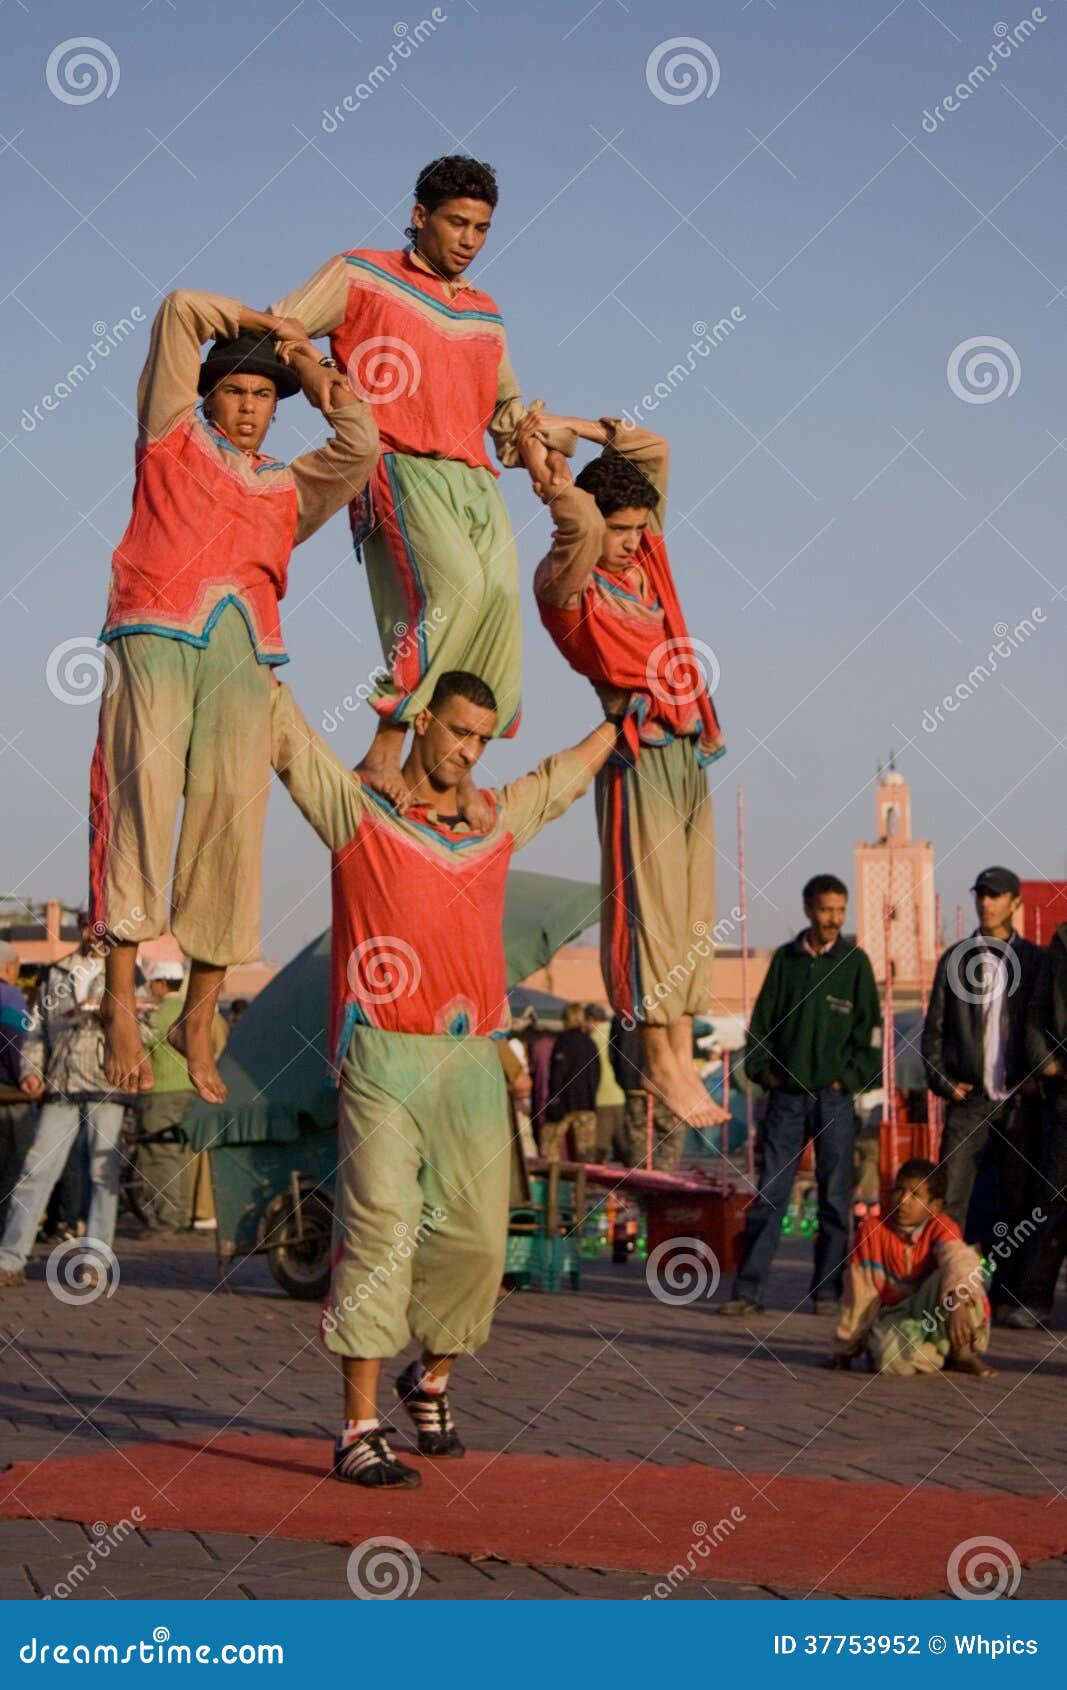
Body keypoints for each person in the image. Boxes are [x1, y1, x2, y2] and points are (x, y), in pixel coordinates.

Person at [269, 667, 616, 1488]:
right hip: (383, 1050)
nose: (468, 750)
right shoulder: (360, 816)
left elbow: (560, 781)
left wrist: (616, 722)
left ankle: (428, 1382)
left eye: (481, 739)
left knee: (477, 1243)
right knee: (382, 1231)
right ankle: (356, 1428)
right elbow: (289, 746)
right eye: (458, 731)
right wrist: (258, 651)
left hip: (471, 1057)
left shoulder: (494, 821)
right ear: (423, 722)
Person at [91, 288, 379, 1106]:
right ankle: (120, 1003)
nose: (250, 408)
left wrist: (307, 362)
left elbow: (360, 442)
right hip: (153, 628)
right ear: (206, 396)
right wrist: (267, 326)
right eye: (235, 391)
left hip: (245, 648)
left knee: (231, 825)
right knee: (140, 800)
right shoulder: (169, 438)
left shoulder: (288, 488)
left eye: (262, 396)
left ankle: (197, 1015)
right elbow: (181, 309)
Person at [267, 154, 576, 814]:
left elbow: (506, 414)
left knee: (495, 604)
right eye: (456, 222)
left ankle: (448, 766)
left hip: (475, 479)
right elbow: (279, 321)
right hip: (398, 464)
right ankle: (386, 739)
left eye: (482, 228)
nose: (468, 239)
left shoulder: (485, 313)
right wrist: (315, 370)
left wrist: (539, 453)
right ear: (418, 217)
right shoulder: (362, 274)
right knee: (454, 591)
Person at [522, 414, 726, 1132]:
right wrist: (543, 464)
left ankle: (679, 1046)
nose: (633, 540)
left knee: (693, 913)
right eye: (621, 528)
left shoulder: (648, 563)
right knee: (650, 908)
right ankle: (658, 1057)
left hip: (685, 746)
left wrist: (562, 424)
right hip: (632, 747)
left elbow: (652, 448)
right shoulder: (566, 581)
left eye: (640, 526)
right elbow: (576, 514)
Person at [720, 875, 881, 1317]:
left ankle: (827, 1292)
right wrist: (764, 1073)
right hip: (787, 1099)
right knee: (771, 1194)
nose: (834, 919)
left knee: (833, 1198)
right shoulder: (786, 962)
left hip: (834, 1100)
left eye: (840, 910)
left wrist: (846, 1080)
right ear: (809, 908)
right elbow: (763, 1022)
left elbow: (870, 1034)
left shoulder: (855, 964)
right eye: (827, 909)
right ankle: (747, 1291)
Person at [921, 866, 1043, 1321]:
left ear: (1015, 903)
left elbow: (1043, 1026)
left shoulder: (1034, 961)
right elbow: (932, 1033)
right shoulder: (955, 959)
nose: (986, 903)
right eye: (981, 895)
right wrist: (944, 1083)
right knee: (952, 1198)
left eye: (996, 896)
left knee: (1016, 1201)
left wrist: (1037, 1078)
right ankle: (943, 1290)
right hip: (967, 1102)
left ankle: (1007, 1295)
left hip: (1017, 1102)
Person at [0, 920, 131, 1289]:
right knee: (35, 1170)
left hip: (107, 1083)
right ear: (82, 928)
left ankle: (96, 1263)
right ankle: (10, 1259)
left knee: (101, 1176)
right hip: (60, 1085)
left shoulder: (123, 971)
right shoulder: (56, 973)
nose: (96, 934)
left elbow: (141, 1029)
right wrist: (30, 1069)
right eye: (91, 927)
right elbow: (36, 1030)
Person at [824, 1160, 994, 1378]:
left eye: (915, 1195)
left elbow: (958, 1260)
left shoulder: (941, 1226)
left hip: (938, 1307)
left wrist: (958, 1299)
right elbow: (859, 1294)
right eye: (899, 1191)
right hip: (898, 1317)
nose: (903, 1201)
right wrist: (845, 1349)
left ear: (934, 1206)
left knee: (963, 1273)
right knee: (889, 1360)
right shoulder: (871, 1231)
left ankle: (963, 1354)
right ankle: (940, 1351)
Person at [1005, 918, 1067, 1328]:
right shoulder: (1062, 941)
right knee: (1054, 1197)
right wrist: (1046, 1063)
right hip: (1065, 1091)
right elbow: (1036, 1010)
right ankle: (1037, 1297)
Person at [137, 962, 228, 1232]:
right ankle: (182, 1216)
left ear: (160, 984)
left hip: (161, 1095)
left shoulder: (159, 1014)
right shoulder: (196, 1012)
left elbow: (137, 1047)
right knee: (182, 1157)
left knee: (160, 1156)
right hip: (191, 1092)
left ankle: (168, 1221)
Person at [609, 1011, 684, 1173]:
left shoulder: (621, 1014)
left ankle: (640, 1174)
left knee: (637, 1134)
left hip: (632, 1083)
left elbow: (612, 1051)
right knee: (670, 1131)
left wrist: (623, 1078)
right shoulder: (664, 1007)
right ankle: (663, 1173)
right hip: (660, 1082)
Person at [0, 942, 35, 1234]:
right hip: (8, 1093)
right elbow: (15, 1044)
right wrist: (24, 1078)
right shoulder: (10, 995)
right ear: (9, 967)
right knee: (15, 1163)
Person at [541, 1003, 600, 1162]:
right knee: (586, 1155)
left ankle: (551, 1183)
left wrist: (554, 1099)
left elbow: (557, 1074)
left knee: (549, 1150)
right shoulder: (590, 1043)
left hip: (562, 1104)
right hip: (586, 1105)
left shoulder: (563, 1042)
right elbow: (596, 1075)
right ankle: (587, 1185)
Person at [586, 1003, 625, 1162]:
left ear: (591, 1020)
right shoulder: (618, 1033)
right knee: (626, 1147)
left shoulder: (592, 1039)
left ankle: (592, 1185)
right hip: (622, 1095)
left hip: (602, 1097)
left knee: (600, 1147)